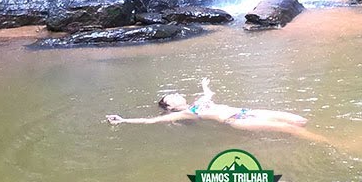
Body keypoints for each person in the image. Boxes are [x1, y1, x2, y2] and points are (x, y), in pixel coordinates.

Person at [106, 78, 323, 141]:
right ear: (170, 107)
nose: (175, 94)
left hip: (249, 111)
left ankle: (322, 137)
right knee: (292, 130)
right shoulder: (185, 113)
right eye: (169, 97)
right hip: (238, 121)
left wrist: (205, 86)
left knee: (299, 120)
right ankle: (336, 144)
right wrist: (123, 120)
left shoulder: (198, 102)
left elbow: (209, 95)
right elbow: (150, 121)